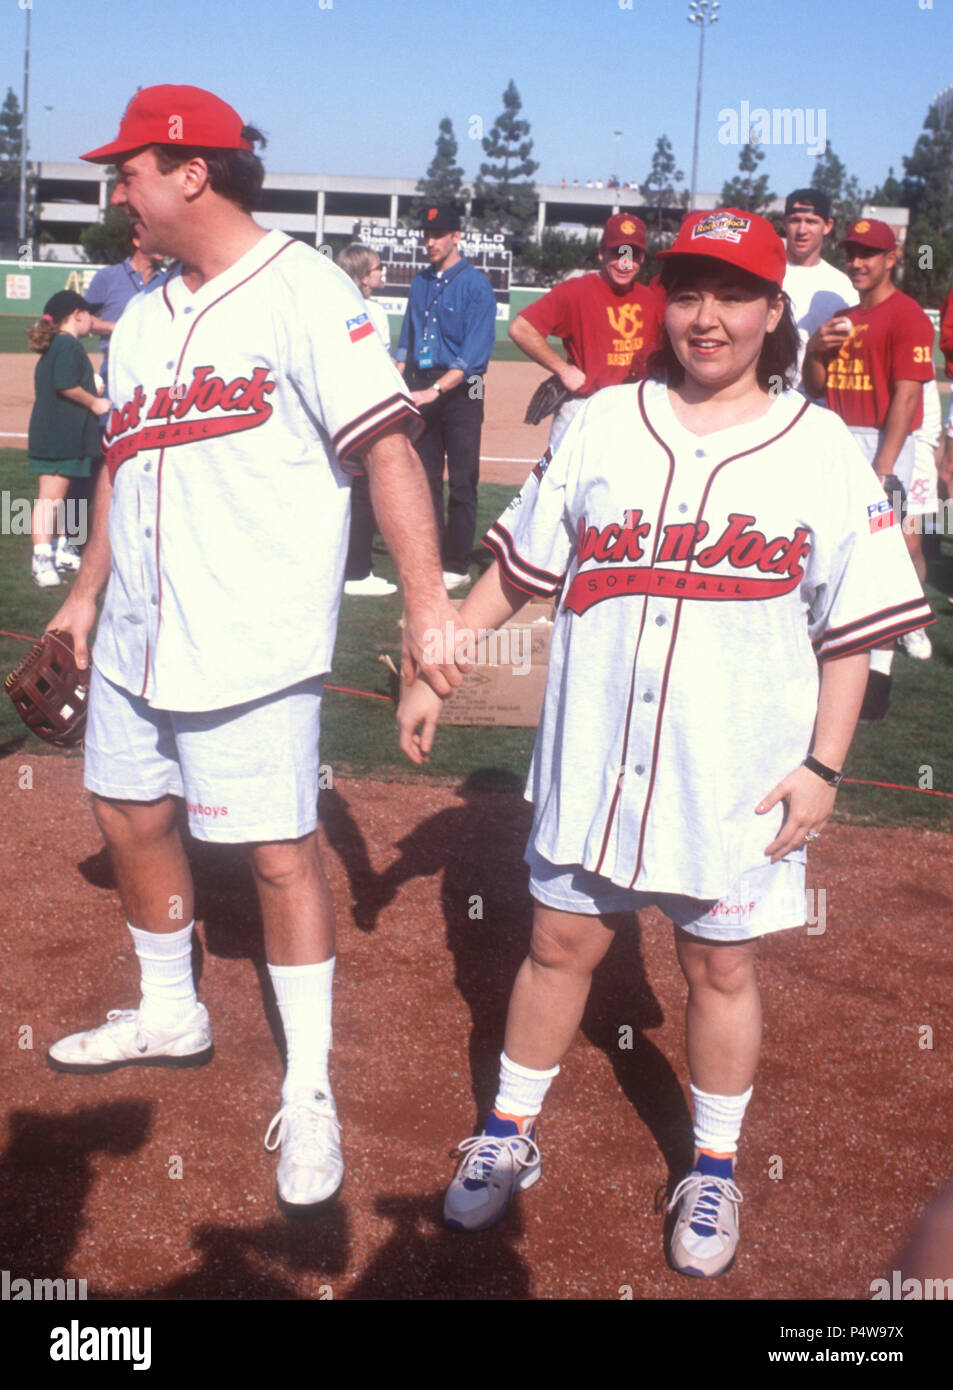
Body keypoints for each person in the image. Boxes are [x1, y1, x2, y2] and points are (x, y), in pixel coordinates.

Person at [398, 208, 932, 1278]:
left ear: (773, 310)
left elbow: (850, 632)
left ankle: (715, 1166)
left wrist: (823, 767)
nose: (705, 316)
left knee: (716, 968)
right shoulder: (602, 423)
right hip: (594, 754)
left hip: (731, 769)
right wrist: (437, 654)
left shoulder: (819, 449)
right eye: (686, 291)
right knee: (556, 947)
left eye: (733, 293)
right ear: (660, 302)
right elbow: (521, 568)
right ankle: (506, 1133)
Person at [43, 84, 465, 1218]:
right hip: (135, 630)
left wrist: (427, 610)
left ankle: (312, 1084)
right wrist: (83, 601)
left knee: (280, 856)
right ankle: (169, 1006)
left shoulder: (306, 290)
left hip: (252, 636)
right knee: (129, 814)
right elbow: (119, 467)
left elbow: (388, 449)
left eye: (125, 170)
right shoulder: (136, 317)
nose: (114, 191)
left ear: (191, 171)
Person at [802, 218, 937, 708]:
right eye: (852, 254)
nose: (857, 263)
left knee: (890, 550)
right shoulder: (841, 317)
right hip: (838, 440)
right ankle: (836, 648)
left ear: (892, 257)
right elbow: (815, 386)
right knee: (837, 549)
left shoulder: (908, 317)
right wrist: (815, 350)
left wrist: (883, 468)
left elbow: (905, 398)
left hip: (885, 443)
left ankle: (883, 662)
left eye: (869, 254)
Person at [395, 205, 497, 590]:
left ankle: (456, 563)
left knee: (463, 478)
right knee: (424, 479)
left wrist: (434, 390)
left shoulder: (476, 284)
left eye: (438, 234)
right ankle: (431, 556)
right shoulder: (420, 282)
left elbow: (473, 358)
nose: (430, 241)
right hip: (423, 383)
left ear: (457, 236)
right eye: (426, 234)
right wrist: (395, 384)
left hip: (464, 385)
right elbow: (406, 343)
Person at [509, 213, 663, 450]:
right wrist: (562, 369)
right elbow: (520, 328)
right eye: (617, 253)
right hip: (582, 406)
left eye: (632, 255)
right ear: (602, 253)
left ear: (641, 258)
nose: (624, 263)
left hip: (632, 409)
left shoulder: (650, 300)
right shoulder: (575, 292)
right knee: (562, 484)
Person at [26, 290, 111, 587]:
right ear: (77, 314)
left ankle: (63, 550)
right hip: (58, 435)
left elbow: (69, 381)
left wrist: (92, 386)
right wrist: (95, 402)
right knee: (50, 499)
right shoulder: (66, 344)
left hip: (68, 435)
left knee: (65, 496)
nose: (94, 320)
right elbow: (65, 385)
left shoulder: (62, 345)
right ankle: (41, 559)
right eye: (90, 314)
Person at [335, 243, 397, 597]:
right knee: (362, 490)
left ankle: (348, 566)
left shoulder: (343, 307)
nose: (381, 273)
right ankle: (357, 572)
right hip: (361, 407)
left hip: (344, 407)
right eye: (376, 268)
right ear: (361, 276)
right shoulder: (366, 312)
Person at [780, 188, 857, 390]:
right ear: (784, 223)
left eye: (811, 221)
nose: (802, 230)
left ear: (827, 226)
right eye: (795, 220)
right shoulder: (764, 272)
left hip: (817, 401)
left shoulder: (842, 286)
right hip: (766, 394)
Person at [86, 232, 167, 382]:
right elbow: (82, 318)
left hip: (156, 372)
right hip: (115, 370)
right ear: (136, 241)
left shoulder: (169, 281)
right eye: (158, 239)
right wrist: (115, 327)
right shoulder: (107, 277)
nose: (164, 244)